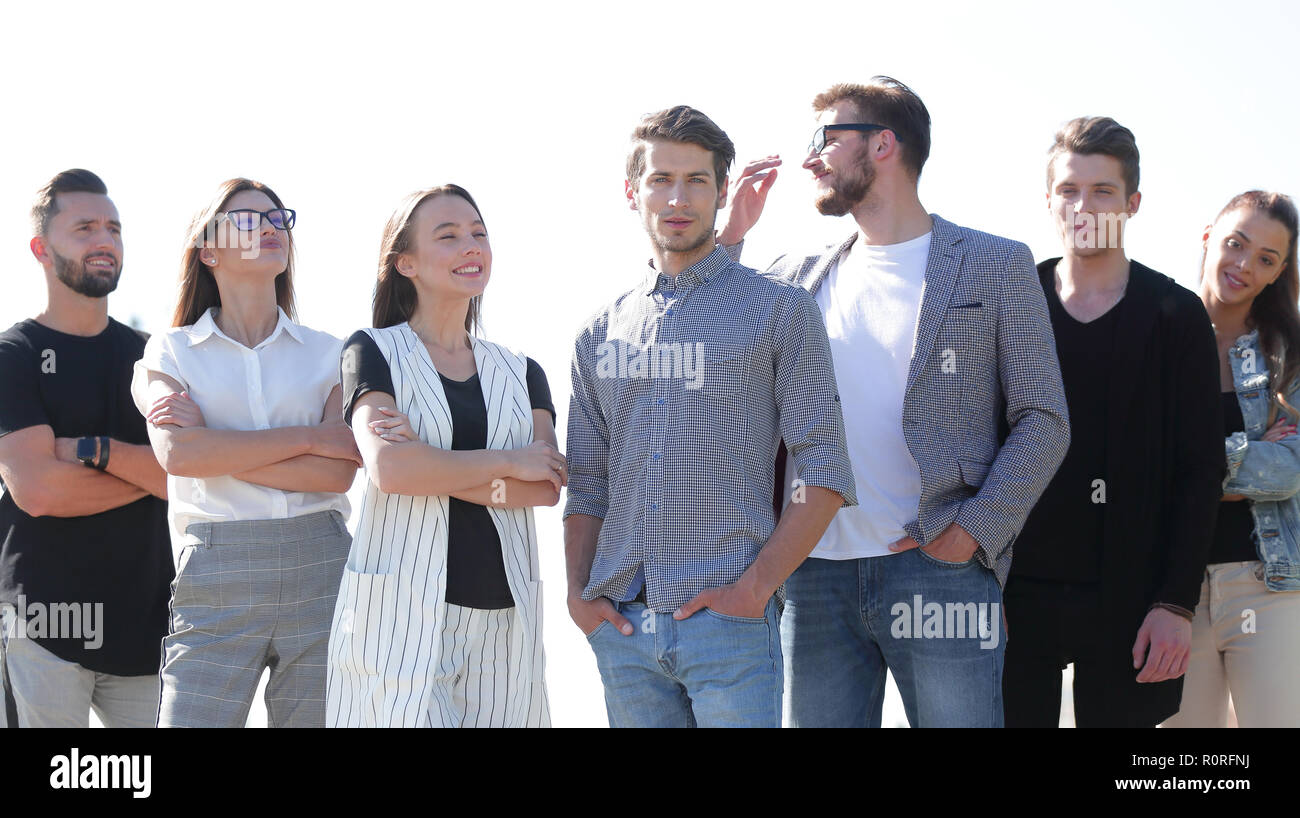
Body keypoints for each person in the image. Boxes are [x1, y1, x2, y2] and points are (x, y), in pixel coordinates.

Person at [718, 77, 1070, 728]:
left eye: (826, 139)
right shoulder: (795, 277)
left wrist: (972, 532)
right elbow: (707, 339)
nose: (810, 159)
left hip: (939, 572)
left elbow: (1043, 418)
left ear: (883, 144)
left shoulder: (994, 264)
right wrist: (732, 232)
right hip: (813, 578)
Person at [565, 105, 857, 729]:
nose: (678, 197)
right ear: (631, 191)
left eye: (697, 180)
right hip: (622, 628)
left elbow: (825, 468)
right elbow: (587, 482)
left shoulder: (779, 309)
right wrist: (579, 598)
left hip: (731, 627)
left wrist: (754, 591)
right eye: (661, 178)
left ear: (724, 192)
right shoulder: (598, 334)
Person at [1001, 117, 1224, 727]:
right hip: (1015, 595)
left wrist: (1175, 603)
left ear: (1132, 203)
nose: (1083, 205)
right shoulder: (1015, 301)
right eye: (1069, 189)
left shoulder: (1176, 315)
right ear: (1049, 200)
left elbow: (1201, 470)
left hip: (1132, 594)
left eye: (1103, 191)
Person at [327, 185, 561, 728]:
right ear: (404, 262)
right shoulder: (372, 352)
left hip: (506, 618)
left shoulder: (522, 372)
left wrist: (431, 465)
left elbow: (544, 486)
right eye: (449, 235)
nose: (470, 245)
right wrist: (507, 462)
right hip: (399, 615)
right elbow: (390, 469)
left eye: (478, 233)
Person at [132, 178, 359, 728]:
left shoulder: (331, 353)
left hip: (323, 566)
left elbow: (336, 476)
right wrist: (308, 437)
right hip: (216, 566)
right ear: (208, 249)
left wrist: (218, 444)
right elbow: (179, 456)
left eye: (279, 218)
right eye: (251, 219)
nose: (272, 228)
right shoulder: (170, 349)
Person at [0, 169, 172, 728]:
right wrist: (149, 471)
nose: (105, 240)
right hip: (42, 626)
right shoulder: (13, 356)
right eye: (85, 228)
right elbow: (40, 491)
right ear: (40, 249)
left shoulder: (156, 360)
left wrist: (95, 452)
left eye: (114, 228)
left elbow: (188, 480)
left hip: (151, 629)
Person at [1164, 191, 1300, 728]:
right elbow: (1132, 460)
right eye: (1235, 243)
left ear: (1279, 272)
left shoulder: (1289, 354)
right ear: (1208, 238)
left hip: (1270, 585)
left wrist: (1185, 466)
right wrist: (1251, 456)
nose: (1244, 264)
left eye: (1266, 258)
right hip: (1170, 591)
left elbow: (1291, 468)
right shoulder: (1155, 334)